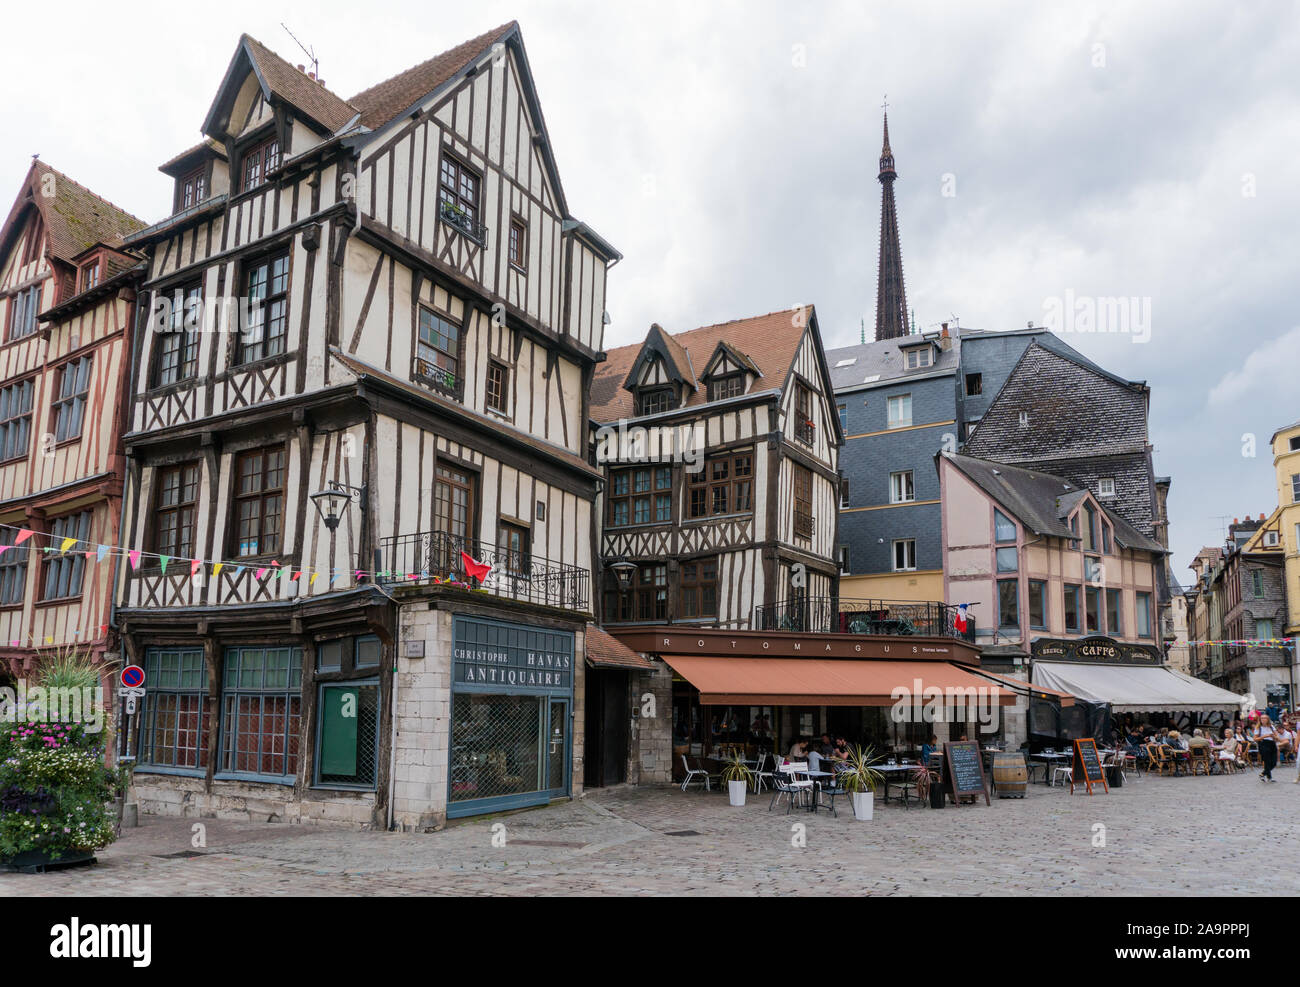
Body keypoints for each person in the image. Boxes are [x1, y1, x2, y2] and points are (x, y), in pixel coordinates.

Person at [1252, 715, 1279, 782]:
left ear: (1268, 719)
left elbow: (1277, 736)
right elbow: (1255, 739)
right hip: (1263, 744)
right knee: (1267, 761)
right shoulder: (1258, 728)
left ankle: (1263, 774)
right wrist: (1264, 736)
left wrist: (1274, 737)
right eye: (1262, 718)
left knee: (1274, 762)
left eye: (1265, 718)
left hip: (1272, 743)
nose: (1263, 720)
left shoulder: (1271, 727)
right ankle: (1269, 777)